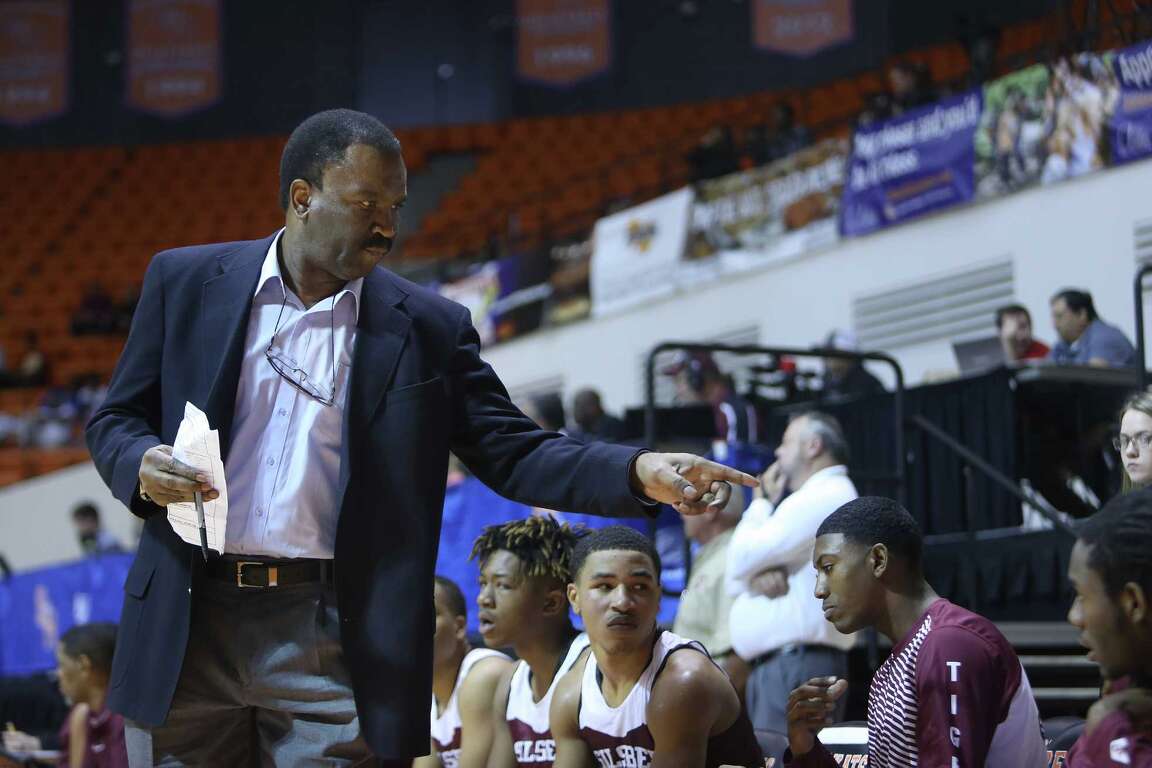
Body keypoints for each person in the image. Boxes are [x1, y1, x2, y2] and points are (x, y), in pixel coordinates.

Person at [84, 108, 757, 765]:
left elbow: (514, 449)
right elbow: (116, 419)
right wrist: (138, 461)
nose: (387, 226)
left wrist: (638, 470)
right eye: (366, 203)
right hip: (190, 613)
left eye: (398, 206)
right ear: (302, 199)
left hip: (334, 627)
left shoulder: (429, 327)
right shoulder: (187, 283)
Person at [785, 497, 1044, 767]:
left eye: (828, 568)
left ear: (878, 560)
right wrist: (806, 750)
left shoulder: (949, 643)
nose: (819, 590)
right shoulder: (898, 665)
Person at [549, 526, 765, 768]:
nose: (622, 602)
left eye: (639, 587)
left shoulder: (683, 680)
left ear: (658, 598)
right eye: (605, 586)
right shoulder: (572, 692)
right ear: (574, 597)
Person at [726, 411, 858, 733]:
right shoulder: (816, 496)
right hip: (788, 664)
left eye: (785, 443)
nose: (777, 453)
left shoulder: (824, 494)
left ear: (813, 446)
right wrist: (754, 578)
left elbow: (738, 560)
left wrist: (760, 503)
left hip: (797, 664)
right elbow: (738, 575)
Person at [1064, 484, 1152, 766]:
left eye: (1081, 595)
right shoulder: (1131, 691)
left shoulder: (1116, 716)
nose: (1074, 617)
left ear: (1134, 602)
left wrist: (1106, 726)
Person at [471, 516, 590, 768]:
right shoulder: (511, 683)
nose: (484, 599)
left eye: (502, 585)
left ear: (551, 603)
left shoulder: (591, 669)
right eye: (483, 584)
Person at [2, 623, 127, 768]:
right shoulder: (81, 715)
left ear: (84, 666)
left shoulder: (124, 724)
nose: (57, 674)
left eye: (61, 665)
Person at [418, 577, 512, 768]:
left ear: (459, 627)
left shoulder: (484, 674)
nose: (412, 627)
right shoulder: (429, 699)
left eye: (425, 616)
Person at [673, 484, 746, 699]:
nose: (680, 513)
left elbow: (737, 655)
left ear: (711, 510)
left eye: (686, 503)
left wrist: (713, 716)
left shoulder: (733, 558)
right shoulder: (714, 556)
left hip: (709, 700)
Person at [1050, 289, 1135, 368]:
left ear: (1081, 314)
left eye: (1059, 316)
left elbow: (1093, 380)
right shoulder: (1063, 344)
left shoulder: (1105, 338)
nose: (1054, 325)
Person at [819, 330, 884, 402]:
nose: (826, 358)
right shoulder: (828, 381)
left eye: (831, 353)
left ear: (849, 357)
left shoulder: (866, 383)